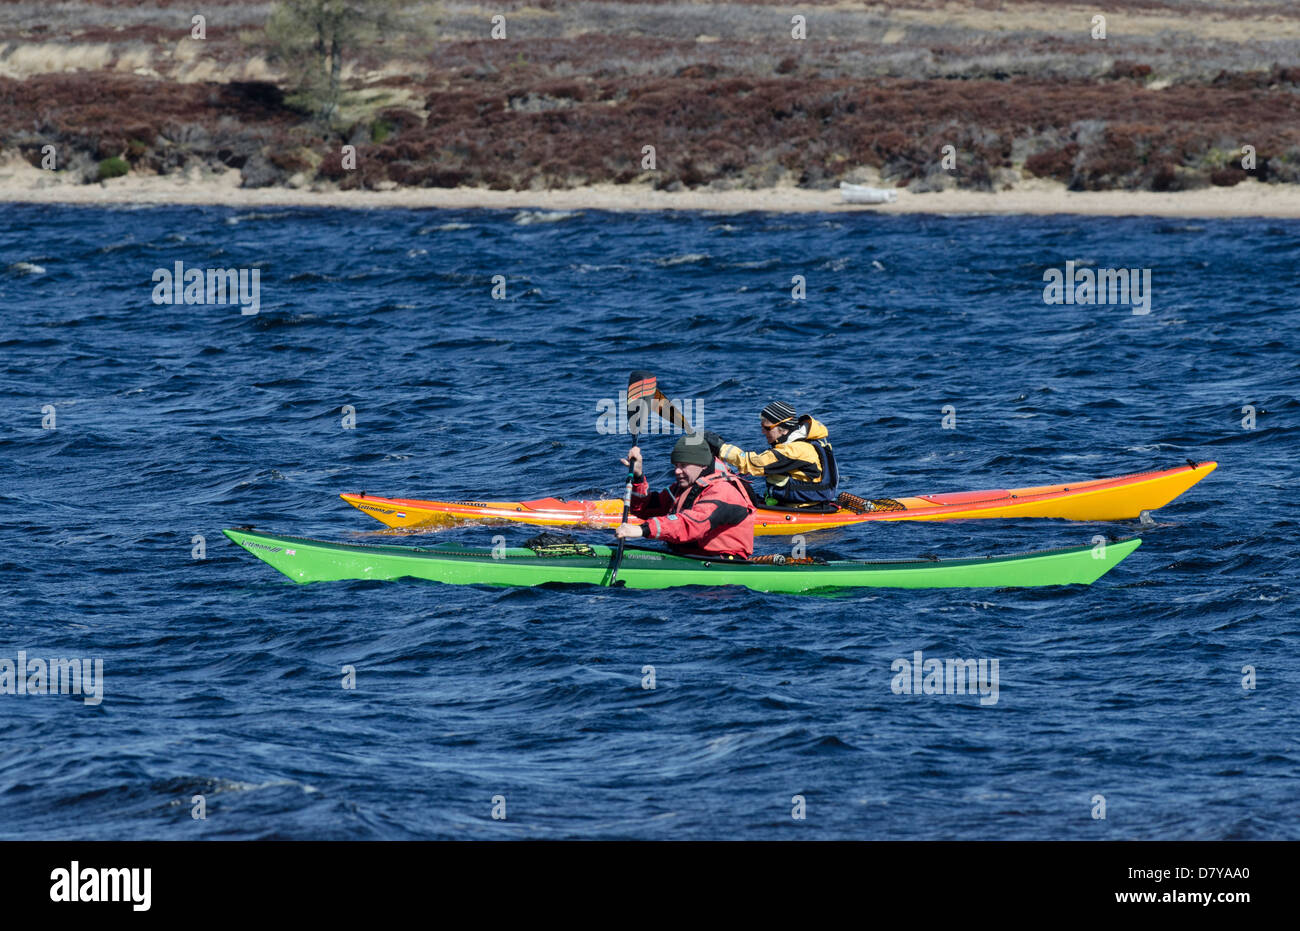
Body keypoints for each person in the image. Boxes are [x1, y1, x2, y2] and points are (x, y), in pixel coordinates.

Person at [613, 434, 756, 559]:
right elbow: (645, 508)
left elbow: (694, 524)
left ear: (703, 465)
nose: (677, 471)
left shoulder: (724, 491)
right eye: (676, 465)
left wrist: (642, 530)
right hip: (688, 556)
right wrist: (638, 476)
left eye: (683, 465)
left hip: (720, 564)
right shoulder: (684, 487)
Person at [716, 401, 839, 507]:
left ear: (784, 429)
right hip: (794, 503)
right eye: (761, 426)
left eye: (767, 428)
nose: (763, 432)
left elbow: (753, 464)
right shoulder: (798, 443)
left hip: (801, 509)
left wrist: (720, 448)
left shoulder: (795, 451)